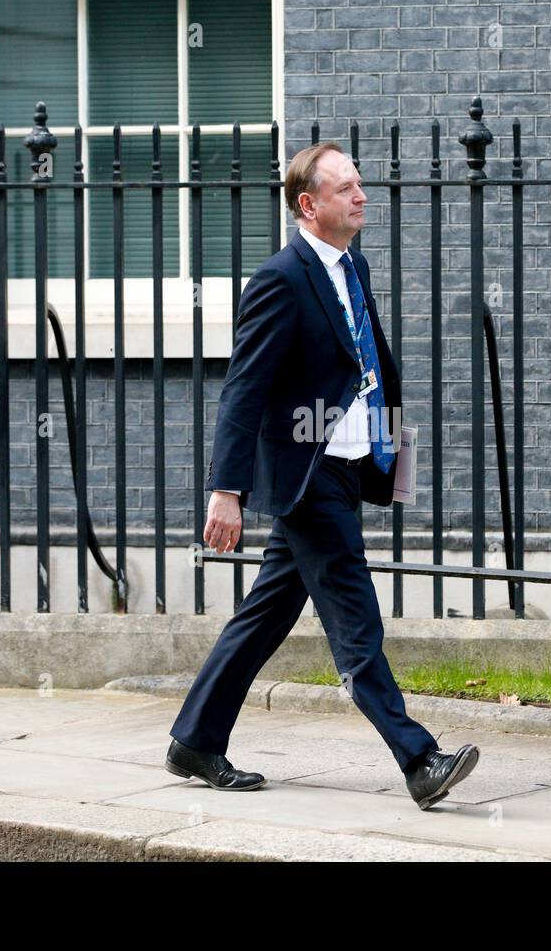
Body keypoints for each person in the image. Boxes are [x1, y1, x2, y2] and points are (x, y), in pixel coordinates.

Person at [164, 142, 480, 810]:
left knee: (266, 613)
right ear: (309, 205)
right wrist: (227, 490)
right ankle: (420, 760)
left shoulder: (351, 266)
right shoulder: (280, 278)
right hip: (307, 477)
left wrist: (388, 447)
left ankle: (194, 738)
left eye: (360, 185)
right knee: (355, 619)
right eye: (345, 189)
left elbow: (360, 364)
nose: (361, 197)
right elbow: (243, 390)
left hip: (346, 465)